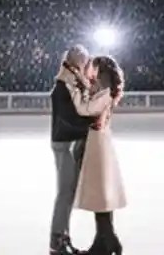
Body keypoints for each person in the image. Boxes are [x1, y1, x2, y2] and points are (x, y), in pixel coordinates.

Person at [49, 45, 103, 255]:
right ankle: (56, 242)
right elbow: (69, 120)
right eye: (85, 61)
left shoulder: (72, 82)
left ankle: (63, 238)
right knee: (65, 194)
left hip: (69, 143)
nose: (88, 65)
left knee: (69, 194)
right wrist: (87, 126)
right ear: (77, 63)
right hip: (64, 144)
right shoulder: (63, 86)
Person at [74, 55, 127, 255]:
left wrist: (78, 91)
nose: (89, 72)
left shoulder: (104, 93)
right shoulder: (104, 91)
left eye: (93, 68)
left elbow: (84, 110)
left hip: (97, 144)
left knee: (100, 196)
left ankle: (109, 241)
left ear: (100, 71)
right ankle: (103, 242)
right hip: (99, 142)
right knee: (101, 197)